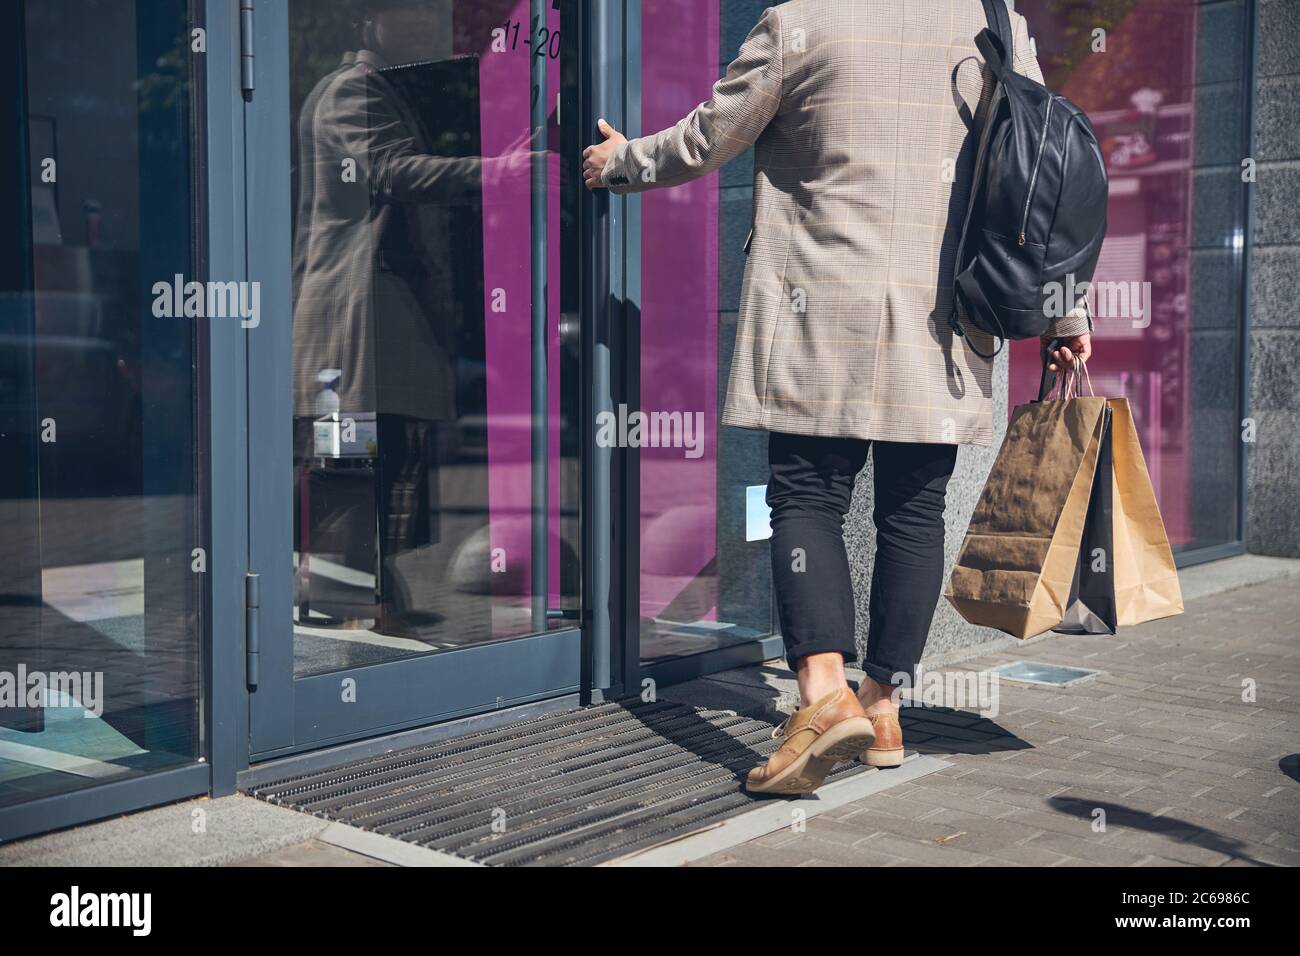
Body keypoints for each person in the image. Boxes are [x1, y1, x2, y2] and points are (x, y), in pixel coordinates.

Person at [583, 0, 1093, 794]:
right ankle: (884, 705)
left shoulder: (800, 19)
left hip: (819, 302)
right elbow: (1045, 178)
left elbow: (710, 135)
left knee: (808, 494)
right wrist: (1063, 311)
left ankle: (823, 695)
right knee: (914, 512)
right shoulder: (994, 18)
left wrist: (621, 163)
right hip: (949, 314)